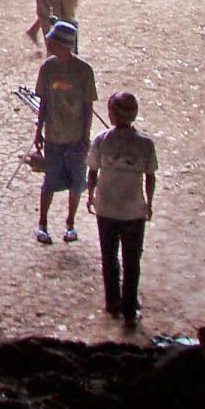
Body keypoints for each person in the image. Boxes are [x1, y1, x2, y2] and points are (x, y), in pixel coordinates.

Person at [86, 90, 157, 326]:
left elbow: (93, 172)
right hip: (133, 209)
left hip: (106, 207)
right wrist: (149, 203)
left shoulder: (101, 140)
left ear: (112, 115)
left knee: (109, 256)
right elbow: (149, 176)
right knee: (132, 260)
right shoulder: (145, 144)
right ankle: (129, 307)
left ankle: (112, 301)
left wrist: (90, 197)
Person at [33, 19, 97, 244]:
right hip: (53, 136)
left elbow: (88, 107)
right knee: (50, 181)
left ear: (63, 45)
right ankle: (43, 223)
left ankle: (70, 222)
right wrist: (38, 130)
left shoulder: (84, 71)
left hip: (75, 138)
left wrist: (85, 137)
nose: (48, 42)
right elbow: (43, 102)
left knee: (76, 183)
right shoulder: (47, 68)